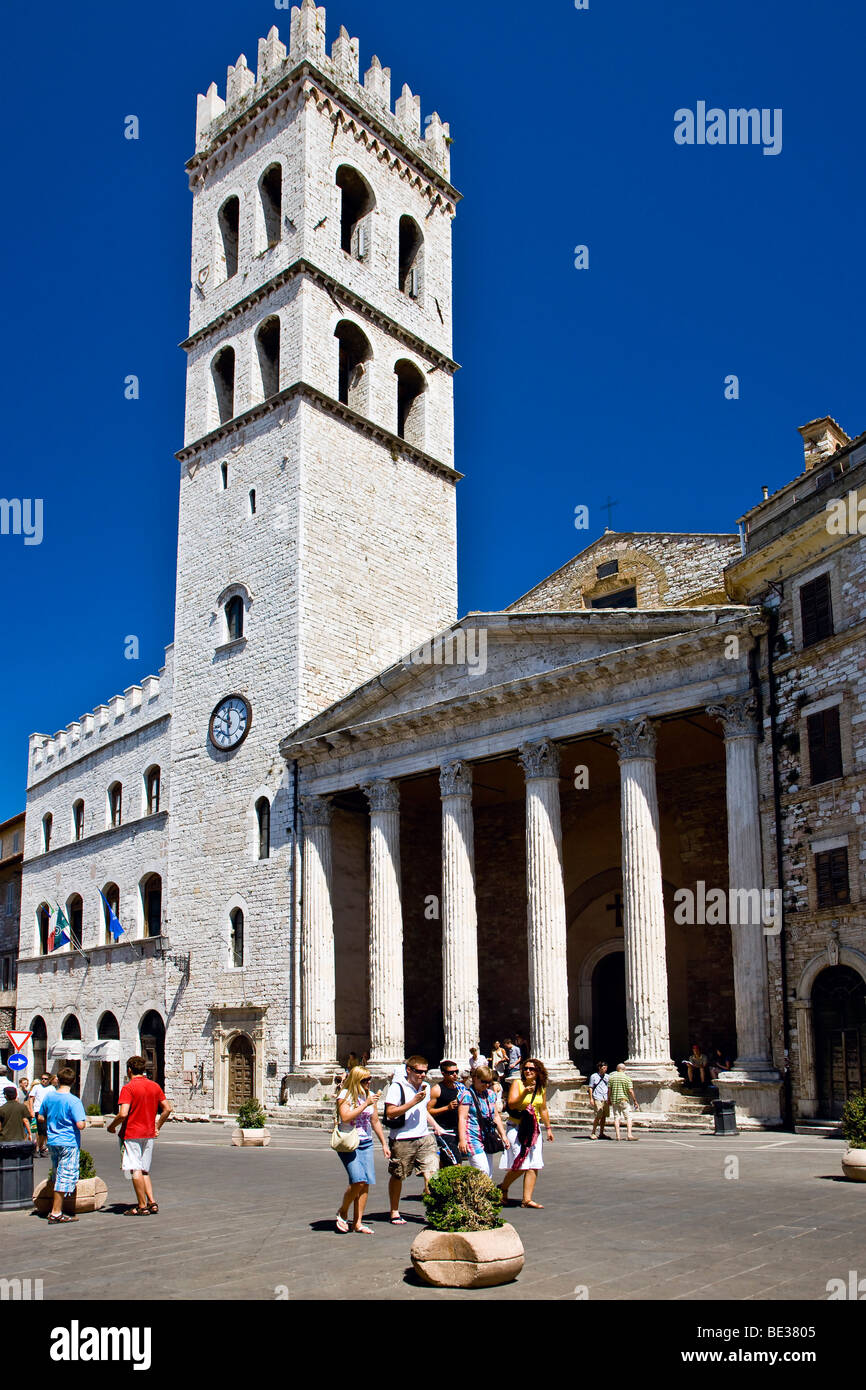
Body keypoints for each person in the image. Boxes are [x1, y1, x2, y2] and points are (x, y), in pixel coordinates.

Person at [106, 1055, 172, 1215]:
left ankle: (142, 1206)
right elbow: (167, 1109)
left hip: (131, 1133)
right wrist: (158, 1126)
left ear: (129, 1070)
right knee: (144, 1170)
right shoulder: (154, 1086)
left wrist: (111, 1126)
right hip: (148, 1133)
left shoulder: (128, 1088)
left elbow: (123, 1113)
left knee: (135, 1168)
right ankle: (152, 1202)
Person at [384, 1055, 445, 1225]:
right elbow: (391, 1112)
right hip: (402, 1138)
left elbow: (423, 1110)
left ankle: (435, 1210)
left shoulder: (425, 1087)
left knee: (432, 1172)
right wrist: (412, 1102)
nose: (422, 1075)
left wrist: (436, 1126)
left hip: (424, 1136)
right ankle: (394, 1211)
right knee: (398, 1175)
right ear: (409, 1070)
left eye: (425, 1072)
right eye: (419, 1072)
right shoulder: (397, 1087)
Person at [334, 1067, 390, 1234]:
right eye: (365, 1080)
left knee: (365, 1183)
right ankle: (343, 1211)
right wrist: (365, 1104)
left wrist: (384, 1143)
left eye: (370, 1079)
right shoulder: (345, 1096)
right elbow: (345, 1117)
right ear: (356, 1080)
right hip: (350, 1142)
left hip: (366, 1142)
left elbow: (375, 1121)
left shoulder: (369, 1094)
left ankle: (357, 1222)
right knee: (357, 1179)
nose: (369, 1082)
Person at [498, 1058, 554, 1209]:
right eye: (526, 1068)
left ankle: (527, 1199)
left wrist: (548, 1128)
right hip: (516, 1126)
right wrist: (524, 1093)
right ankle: (503, 1187)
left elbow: (543, 1108)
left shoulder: (540, 1087)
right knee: (520, 1163)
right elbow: (511, 1103)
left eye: (532, 1069)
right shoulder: (518, 1084)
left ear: (538, 1072)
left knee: (534, 1164)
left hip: (533, 1128)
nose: (528, 1071)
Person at [39, 1066, 86, 1224]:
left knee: (56, 1172)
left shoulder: (49, 1097)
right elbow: (80, 1124)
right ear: (74, 1081)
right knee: (65, 1175)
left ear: (57, 1080)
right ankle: (56, 1212)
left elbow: (40, 1117)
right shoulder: (74, 1100)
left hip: (52, 1140)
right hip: (68, 1141)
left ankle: (55, 1207)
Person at [457, 1066, 510, 1178]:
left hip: (487, 1136)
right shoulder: (467, 1095)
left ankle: (480, 1194)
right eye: (483, 1082)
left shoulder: (490, 1094)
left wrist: (503, 1135)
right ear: (475, 1078)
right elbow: (463, 1118)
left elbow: (496, 1116)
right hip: (472, 1136)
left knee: (488, 1173)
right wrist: (462, 1140)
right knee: (482, 1170)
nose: (486, 1085)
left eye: (488, 1082)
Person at [427, 1060, 465, 1166]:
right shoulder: (437, 1089)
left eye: (456, 1072)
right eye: (451, 1073)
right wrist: (446, 1108)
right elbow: (428, 1111)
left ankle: (437, 1181)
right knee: (456, 1162)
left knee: (445, 1160)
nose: (455, 1075)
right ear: (443, 1073)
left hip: (458, 1128)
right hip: (444, 1130)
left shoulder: (460, 1087)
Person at [608, 1063, 640, 1140]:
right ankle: (629, 1135)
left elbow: (609, 1090)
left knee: (616, 1117)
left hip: (615, 1100)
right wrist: (635, 1101)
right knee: (628, 1117)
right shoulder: (627, 1078)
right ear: (624, 1069)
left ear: (617, 1069)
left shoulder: (611, 1078)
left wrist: (608, 1099)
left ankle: (618, 1136)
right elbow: (630, 1090)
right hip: (624, 1099)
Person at [29, 1073, 54, 1159]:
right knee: (40, 1131)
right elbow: (31, 1099)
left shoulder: (51, 1088)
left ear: (49, 1080)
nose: (43, 1080)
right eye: (42, 1078)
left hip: (48, 1111)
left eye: (46, 1079)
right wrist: (31, 1110)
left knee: (44, 1132)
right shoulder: (37, 1087)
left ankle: (40, 1148)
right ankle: (38, 1149)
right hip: (38, 1111)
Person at [587, 1062, 610, 1140]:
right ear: (599, 1068)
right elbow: (590, 1087)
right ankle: (593, 1132)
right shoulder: (594, 1076)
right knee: (598, 1115)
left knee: (604, 1116)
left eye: (606, 1068)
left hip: (605, 1097)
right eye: (604, 1068)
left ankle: (601, 1132)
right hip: (597, 1097)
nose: (605, 1069)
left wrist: (609, 1098)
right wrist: (591, 1098)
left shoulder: (607, 1076)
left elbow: (609, 1087)